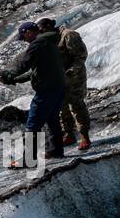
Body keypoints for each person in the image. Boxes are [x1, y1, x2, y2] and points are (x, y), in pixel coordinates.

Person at [0, 20, 66, 166]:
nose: (24, 40)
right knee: (52, 120)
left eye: (24, 37)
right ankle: (56, 151)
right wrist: (14, 79)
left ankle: (29, 160)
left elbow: (23, 66)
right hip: (58, 87)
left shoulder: (37, 44)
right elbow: (35, 72)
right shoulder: (50, 42)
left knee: (33, 123)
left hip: (46, 90)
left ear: (29, 32)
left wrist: (7, 74)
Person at [38, 17, 91, 152]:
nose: (41, 32)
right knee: (62, 107)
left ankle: (84, 137)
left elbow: (80, 56)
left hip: (74, 78)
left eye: (42, 29)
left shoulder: (68, 35)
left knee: (76, 106)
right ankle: (69, 135)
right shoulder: (48, 39)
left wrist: (71, 72)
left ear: (49, 26)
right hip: (59, 79)